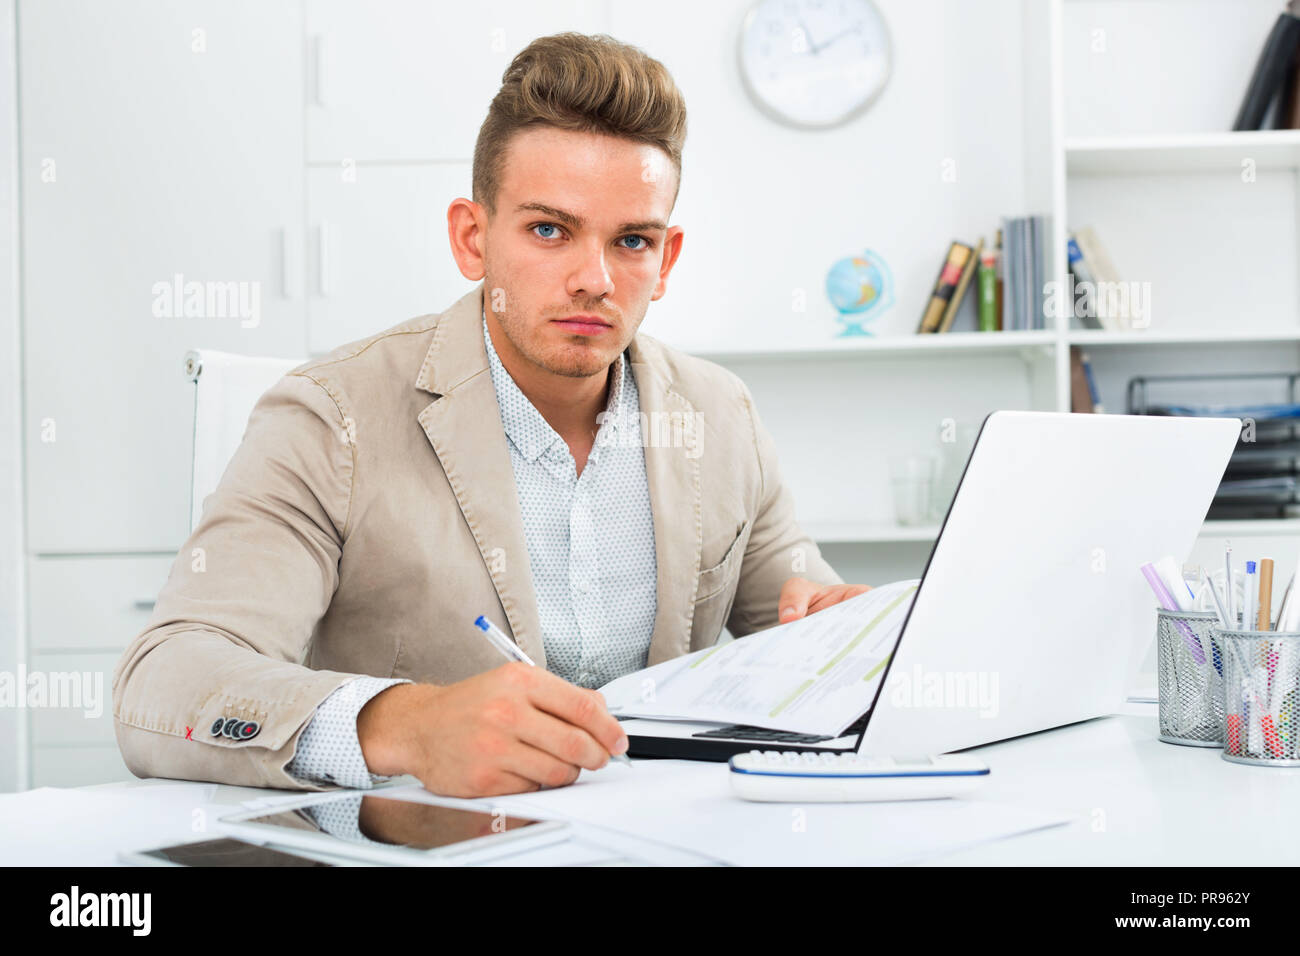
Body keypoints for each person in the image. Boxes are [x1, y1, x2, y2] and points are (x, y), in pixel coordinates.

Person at [112, 31, 868, 800]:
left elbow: (804, 631)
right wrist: (406, 724)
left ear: (665, 261)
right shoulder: (330, 415)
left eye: (632, 241)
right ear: (473, 239)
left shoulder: (719, 414)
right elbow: (165, 683)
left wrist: (848, 638)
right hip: (419, 845)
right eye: (549, 230)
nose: (594, 280)